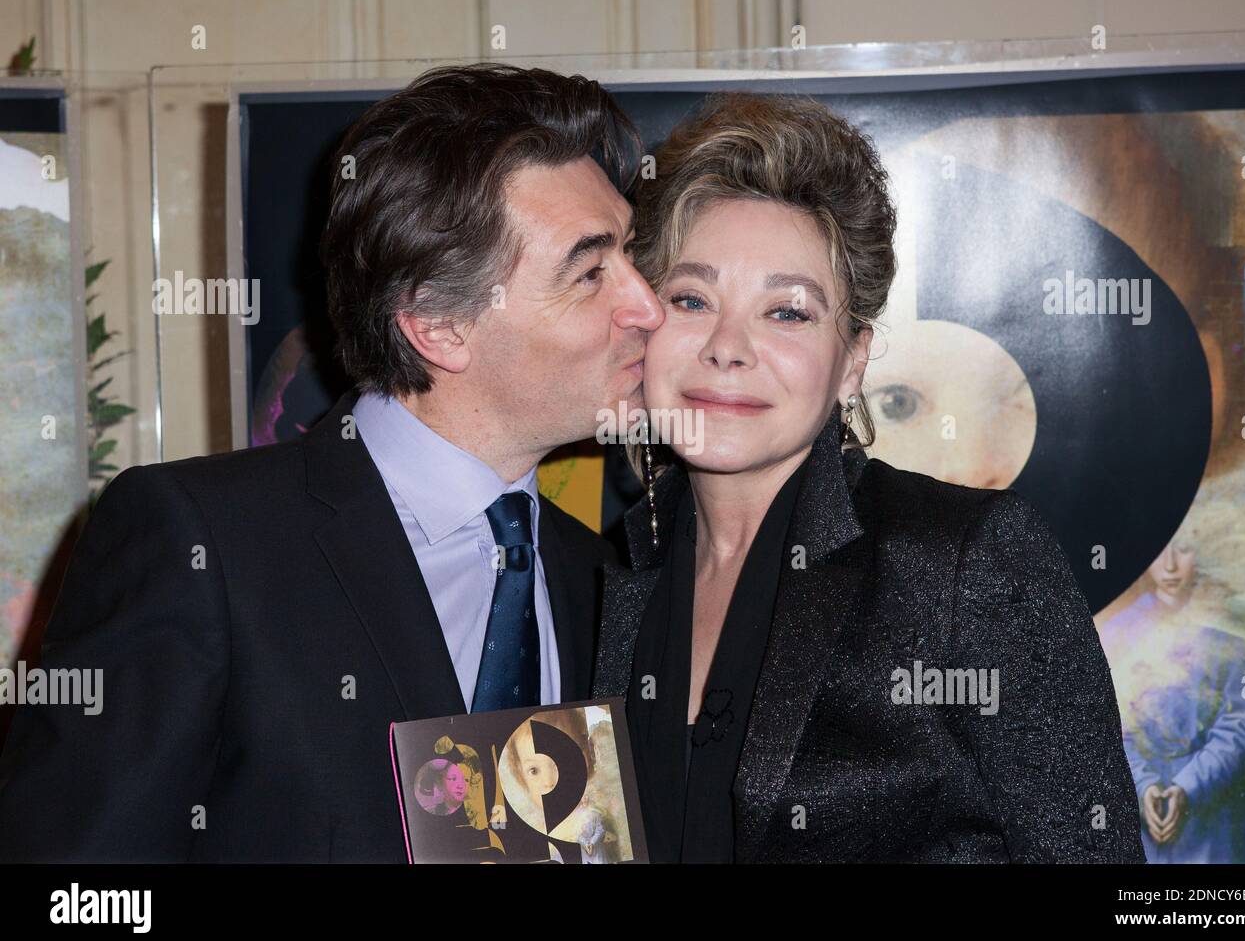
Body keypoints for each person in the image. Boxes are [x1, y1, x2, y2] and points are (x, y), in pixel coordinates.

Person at [0, 64, 663, 861]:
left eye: (631, 255)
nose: (647, 305)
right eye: (590, 273)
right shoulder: (205, 544)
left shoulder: (600, 575)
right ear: (438, 326)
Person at [593, 92, 1146, 863]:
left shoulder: (962, 562)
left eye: (787, 312)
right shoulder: (608, 573)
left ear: (852, 360)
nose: (728, 346)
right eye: (692, 298)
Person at [1101, 537, 1245, 863]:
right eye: (1158, 550)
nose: (1169, 566)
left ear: (1203, 548)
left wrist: (1189, 787)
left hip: (1217, 824)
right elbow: (1107, 724)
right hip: (1140, 823)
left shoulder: (1236, 629)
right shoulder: (1117, 632)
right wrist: (1143, 786)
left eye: (1183, 549)